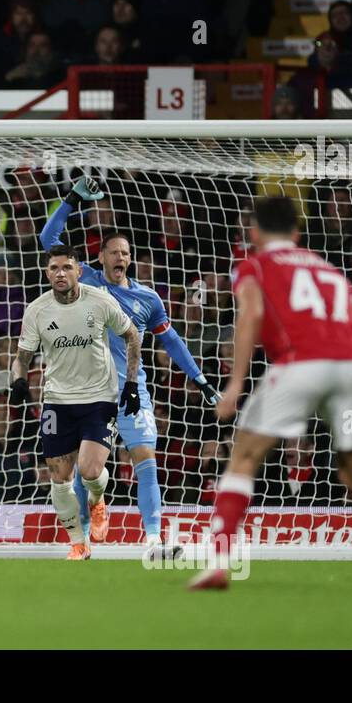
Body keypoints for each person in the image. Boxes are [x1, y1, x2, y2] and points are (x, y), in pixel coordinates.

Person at [195, 196, 352, 591]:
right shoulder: (326, 268)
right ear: (297, 233)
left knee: (243, 457)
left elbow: (250, 318)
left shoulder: (254, 266)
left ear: (255, 232)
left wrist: (236, 383)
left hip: (301, 365)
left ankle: (218, 563)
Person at [40, 177, 220, 557]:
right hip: (89, 394)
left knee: (145, 460)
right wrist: (73, 199)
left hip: (131, 393)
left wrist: (200, 379)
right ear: (100, 257)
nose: (120, 258)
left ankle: (153, 540)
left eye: (126, 253)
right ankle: (83, 541)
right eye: (114, 252)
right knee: (86, 471)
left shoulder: (147, 298)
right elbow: (48, 239)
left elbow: (170, 340)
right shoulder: (84, 280)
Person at [10, 243, 141, 560]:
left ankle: (97, 501)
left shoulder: (99, 301)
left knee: (90, 471)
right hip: (57, 401)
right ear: (47, 273)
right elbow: (22, 357)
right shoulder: (38, 311)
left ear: (79, 271)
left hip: (99, 398)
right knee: (59, 478)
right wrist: (17, 380)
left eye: (66, 267)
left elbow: (132, 334)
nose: (60, 273)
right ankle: (78, 543)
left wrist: (133, 383)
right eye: (54, 268)